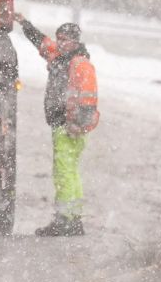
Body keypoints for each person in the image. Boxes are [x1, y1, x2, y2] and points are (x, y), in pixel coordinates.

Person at [14, 13, 98, 237]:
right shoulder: (59, 57)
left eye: (66, 39)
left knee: (64, 173)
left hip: (69, 126)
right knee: (70, 172)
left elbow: (89, 99)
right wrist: (25, 23)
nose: (61, 42)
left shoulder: (79, 64)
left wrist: (77, 123)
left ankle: (65, 221)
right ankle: (73, 218)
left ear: (76, 41)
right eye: (59, 38)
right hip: (63, 124)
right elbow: (42, 42)